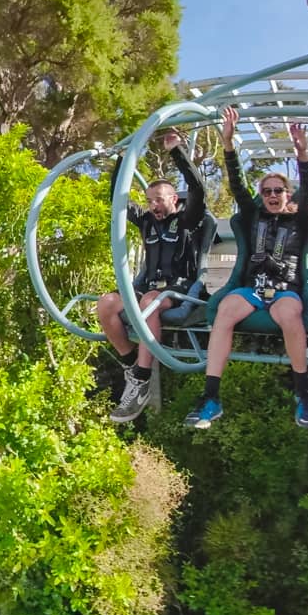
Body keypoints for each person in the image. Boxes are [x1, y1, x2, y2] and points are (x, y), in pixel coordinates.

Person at [185, 107, 308, 429]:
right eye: (267, 191)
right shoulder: (253, 215)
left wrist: (303, 154)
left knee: (289, 314)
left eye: (278, 191)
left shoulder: (299, 219)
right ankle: (211, 397)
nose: (272, 195)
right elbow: (236, 185)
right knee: (225, 311)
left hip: (286, 289)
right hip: (253, 288)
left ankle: (303, 393)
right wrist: (228, 144)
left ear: (288, 195)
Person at [97, 127, 208, 422]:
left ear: (174, 199)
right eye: (150, 201)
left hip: (178, 290)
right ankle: (132, 363)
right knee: (106, 303)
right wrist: (123, 159)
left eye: (159, 200)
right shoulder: (147, 221)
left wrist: (176, 151)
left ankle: (142, 379)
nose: (154, 206)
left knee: (149, 302)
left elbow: (197, 189)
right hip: (147, 288)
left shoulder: (187, 219)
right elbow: (117, 201)